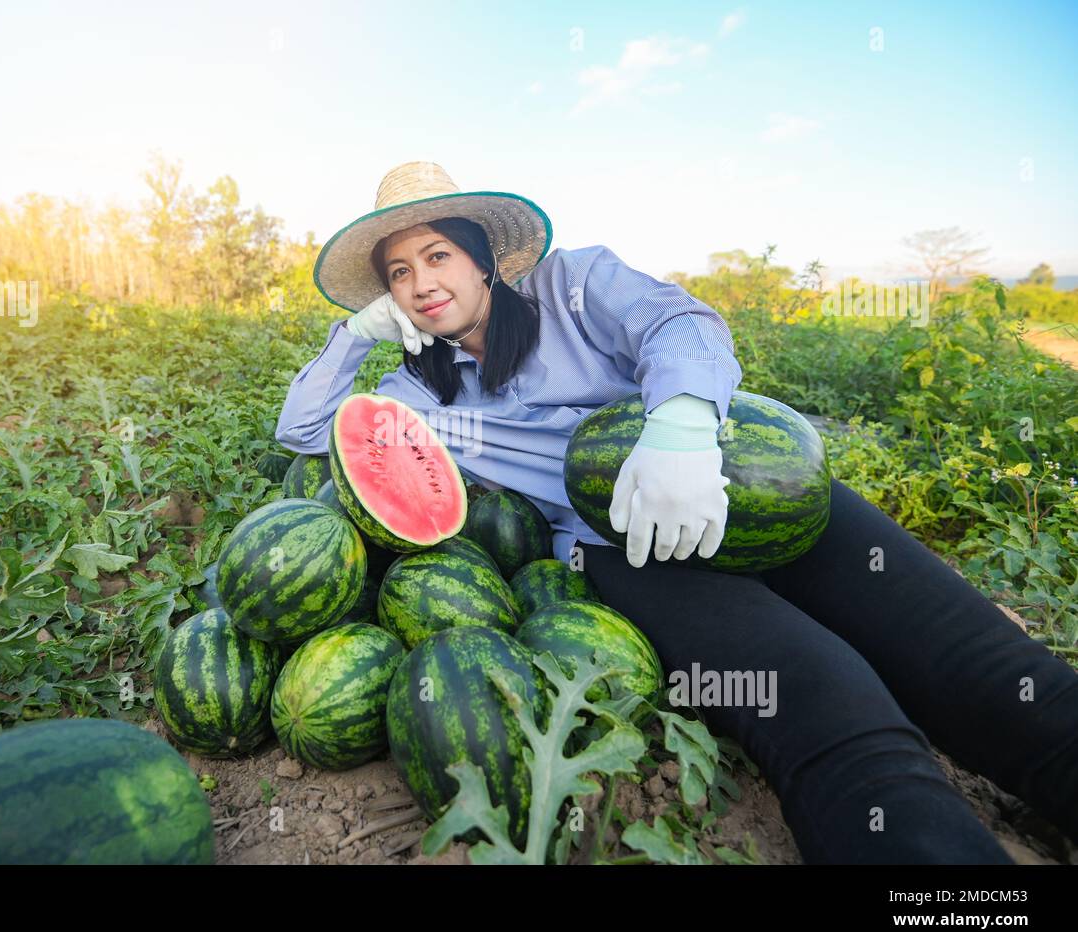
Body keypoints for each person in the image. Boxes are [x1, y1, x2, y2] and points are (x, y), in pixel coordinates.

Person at [276, 160, 1078, 864]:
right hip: (622, 550)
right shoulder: (417, 395)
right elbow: (306, 430)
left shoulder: (573, 284)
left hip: (732, 481)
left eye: (438, 255)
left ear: (484, 259)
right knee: (821, 698)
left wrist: (682, 426)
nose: (421, 283)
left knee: (989, 670)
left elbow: (679, 322)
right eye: (398, 274)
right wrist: (355, 335)